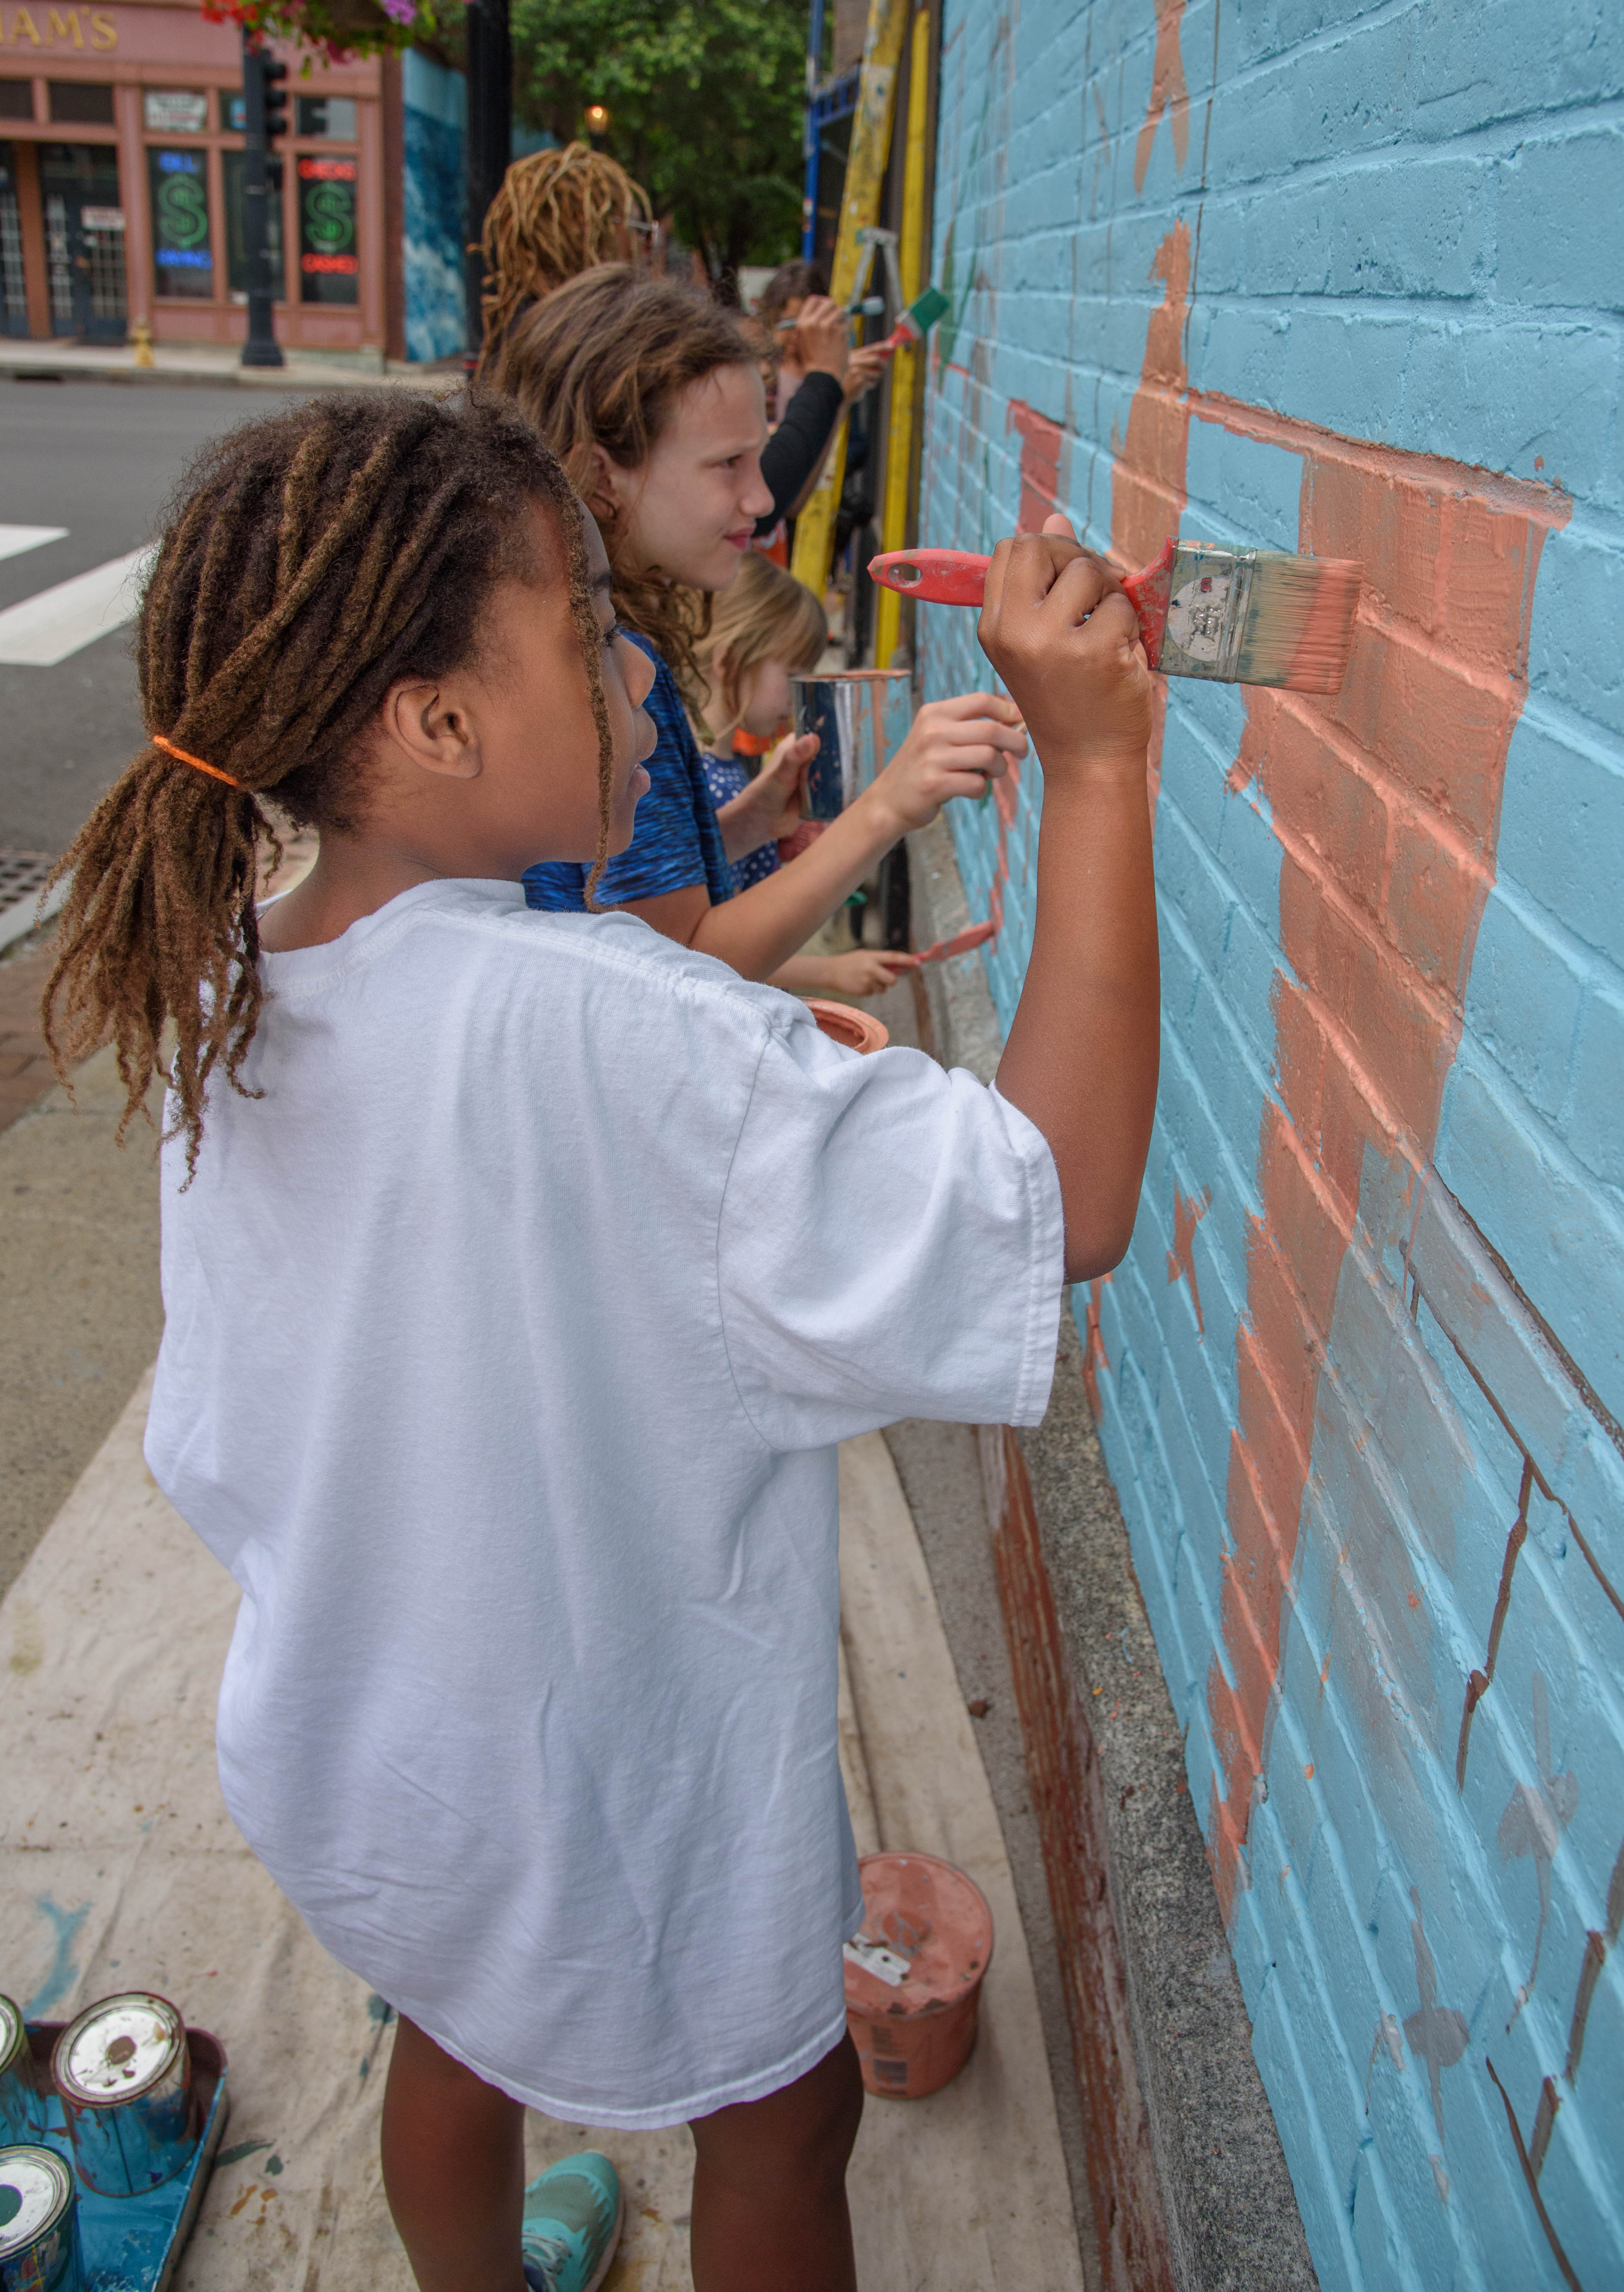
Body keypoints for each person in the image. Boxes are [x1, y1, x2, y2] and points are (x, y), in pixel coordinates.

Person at [40, 385, 1157, 2292]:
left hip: (376, 1741)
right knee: (785, 2121)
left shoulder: (233, 975)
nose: (642, 677)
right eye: (585, 636)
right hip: (621, 1783)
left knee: (454, 2019)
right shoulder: (624, 1036)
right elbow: (1063, 1196)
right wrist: (1102, 762)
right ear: (437, 723)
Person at [490, 267, 1027, 980]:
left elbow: (613, 887)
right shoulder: (609, 675)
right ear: (602, 474)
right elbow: (680, 965)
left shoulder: (538, 633)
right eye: (729, 464)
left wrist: (747, 824)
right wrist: (887, 808)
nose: (762, 497)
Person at [691, 550, 912, 998]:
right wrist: (827, 972)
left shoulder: (718, 771)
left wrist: (770, 840)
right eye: (792, 674)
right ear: (730, 660)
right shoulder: (703, 784)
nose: (797, 696)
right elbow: (706, 953)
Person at [476, 142, 654, 372]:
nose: (644, 243)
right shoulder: (595, 341)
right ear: (589, 230)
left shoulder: (520, 330)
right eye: (636, 228)